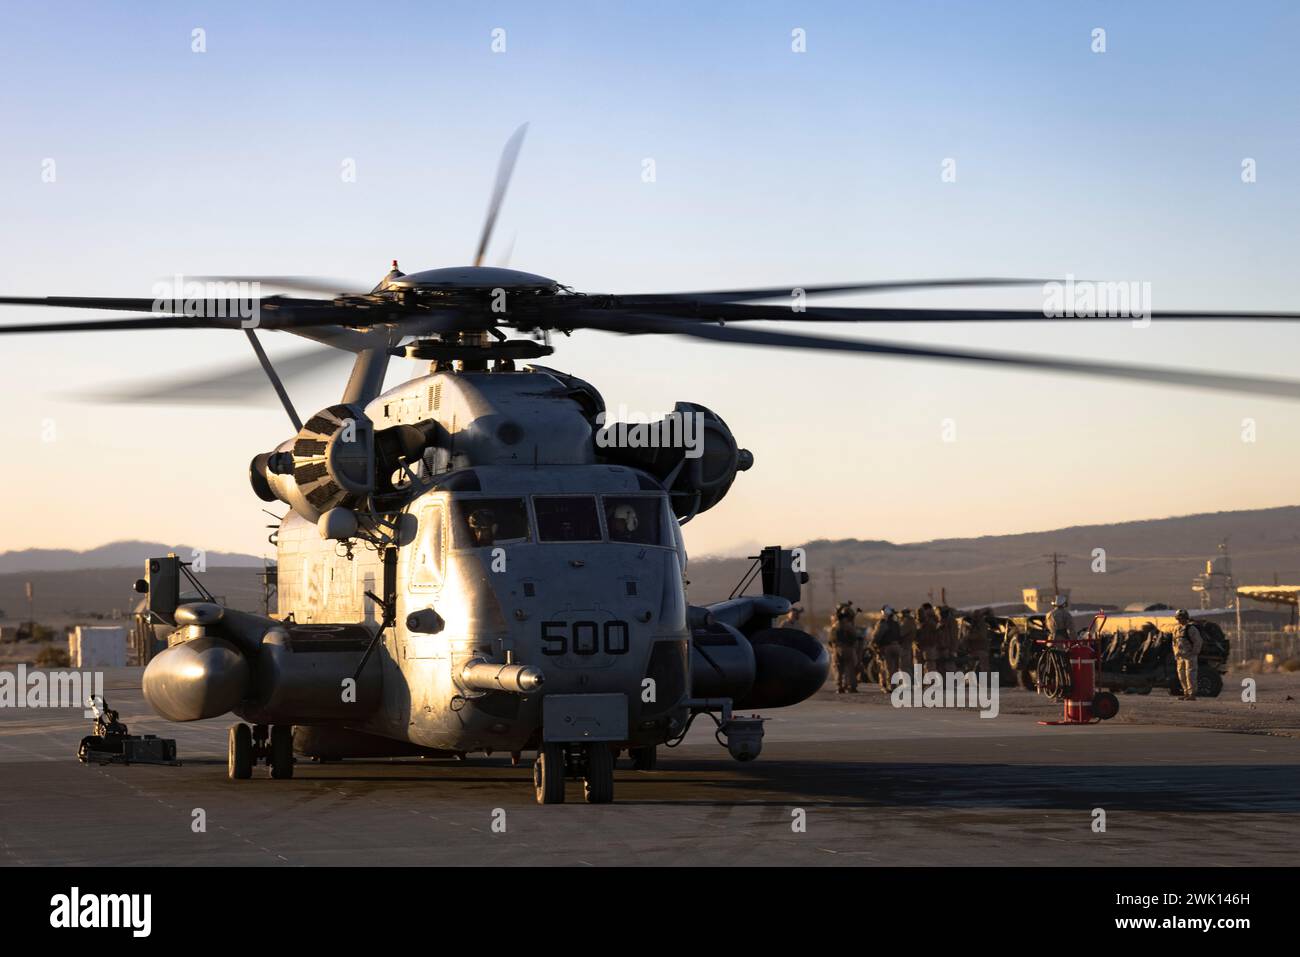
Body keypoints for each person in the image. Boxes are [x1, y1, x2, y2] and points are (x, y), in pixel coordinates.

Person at [1172, 608, 1204, 700]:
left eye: (1181, 618)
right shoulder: (1176, 629)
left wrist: (1194, 652)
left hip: (1190, 656)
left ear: (1186, 618)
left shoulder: (1191, 629)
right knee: (1181, 676)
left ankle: (1192, 694)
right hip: (1180, 656)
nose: (1179, 620)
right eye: (1178, 618)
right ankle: (1186, 693)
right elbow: (1174, 642)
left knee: (1190, 675)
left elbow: (1198, 641)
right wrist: (1176, 653)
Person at [829, 602, 860, 693]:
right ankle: (851, 686)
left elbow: (831, 639)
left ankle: (839, 687)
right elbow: (855, 638)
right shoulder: (849, 626)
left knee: (838, 668)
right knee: (850, 668)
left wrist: (833, 648)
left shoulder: (835, 626)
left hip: (837, 648)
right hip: (848, 648)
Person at [871, 606, 903, 691]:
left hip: (887, 648)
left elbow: (877, 636)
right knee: (895, 667)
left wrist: (873, 644)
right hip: (897, 647)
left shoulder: (883, 624)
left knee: (888, 667)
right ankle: (894, 685)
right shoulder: (896, 624)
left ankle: (890, 687)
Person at [915, 602, 941, 675]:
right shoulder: (927, 620)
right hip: (924, 646)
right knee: (926, 666)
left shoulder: (931, 621)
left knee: (930, 666)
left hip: (929, 646)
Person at [964, 608, 991, 673]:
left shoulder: (982, 625)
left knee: (984, 669)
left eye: (976, 616)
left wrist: (969, 636)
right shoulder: (973, 625)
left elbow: (981, 635)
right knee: (969, 668)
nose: (974, 618)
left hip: (981, 649)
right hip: (973, 650)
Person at [897, 608, 917, 676]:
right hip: (908, 646)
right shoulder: (912, 621)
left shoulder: (908, 622)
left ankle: (907, 683)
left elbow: (901, 633)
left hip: (905, 646)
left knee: (904, 666)